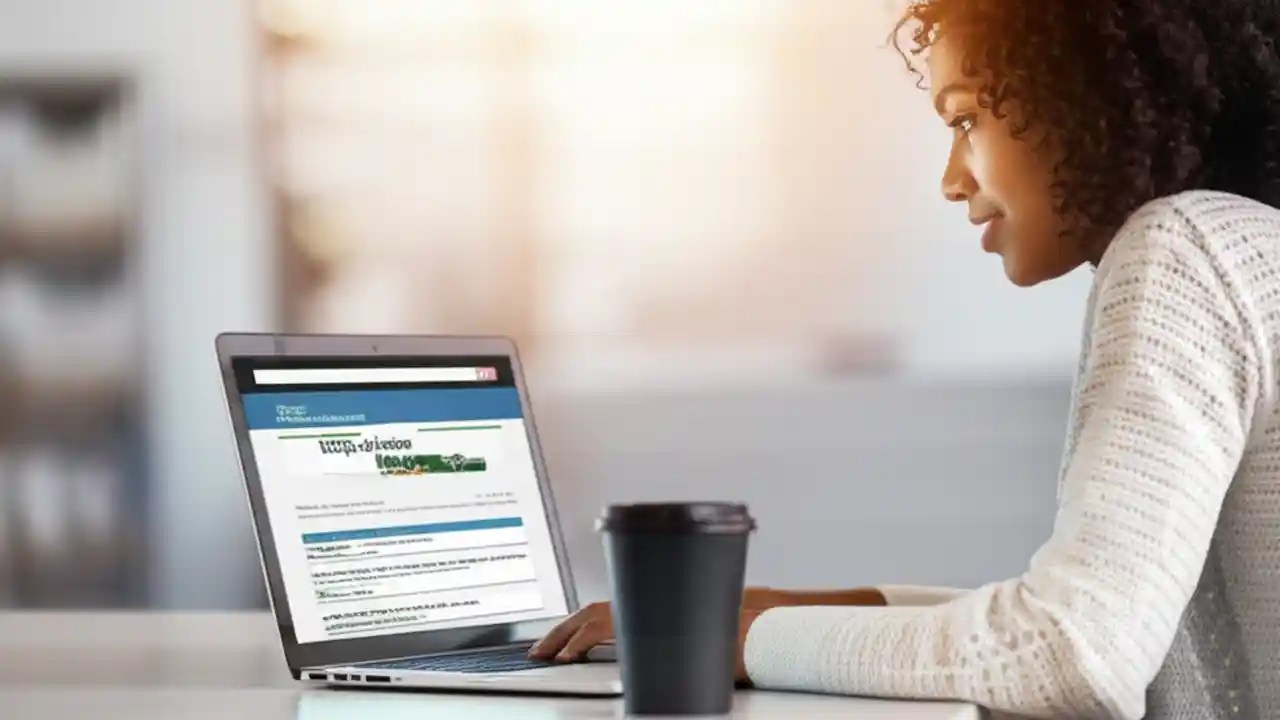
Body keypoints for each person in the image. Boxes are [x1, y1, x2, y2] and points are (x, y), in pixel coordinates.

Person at [531, 1, 1280, 717]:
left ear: (1085, 96)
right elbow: (1103, 620)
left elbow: (1073, 653)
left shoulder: (1184, 249)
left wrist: (719, 643)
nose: (952, 179)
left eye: (966, 120)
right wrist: (803, 612)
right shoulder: (1244, 247)